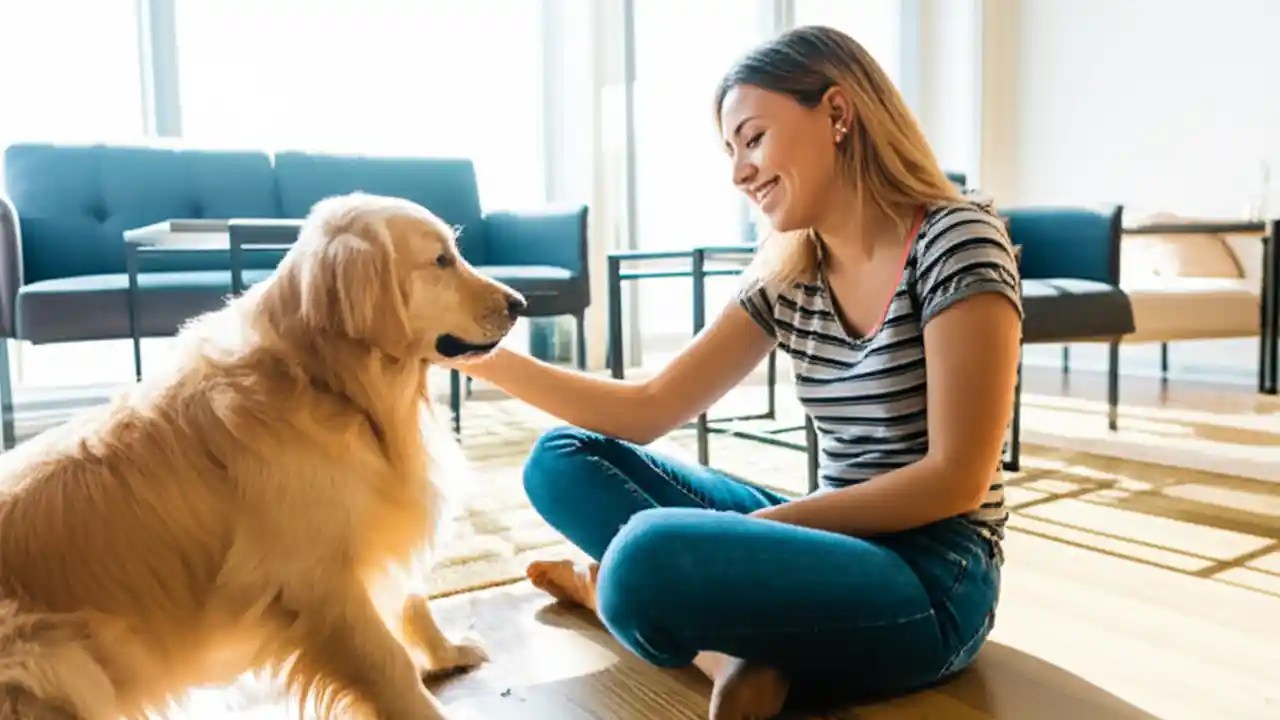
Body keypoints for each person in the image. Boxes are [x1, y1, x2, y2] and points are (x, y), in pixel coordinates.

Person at [445, 24, 1022, 720]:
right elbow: (650, 406)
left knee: (641, 563)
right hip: (824, 540)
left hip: (935, 576)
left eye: (752, 138)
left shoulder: (955, 239)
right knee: (560, 458)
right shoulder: (790, 270)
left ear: (838, 114)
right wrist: (480, 355)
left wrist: (753, 535)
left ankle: (665, 614)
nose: (739, 172)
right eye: (731, 150)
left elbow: (956, 478)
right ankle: (742, 653)